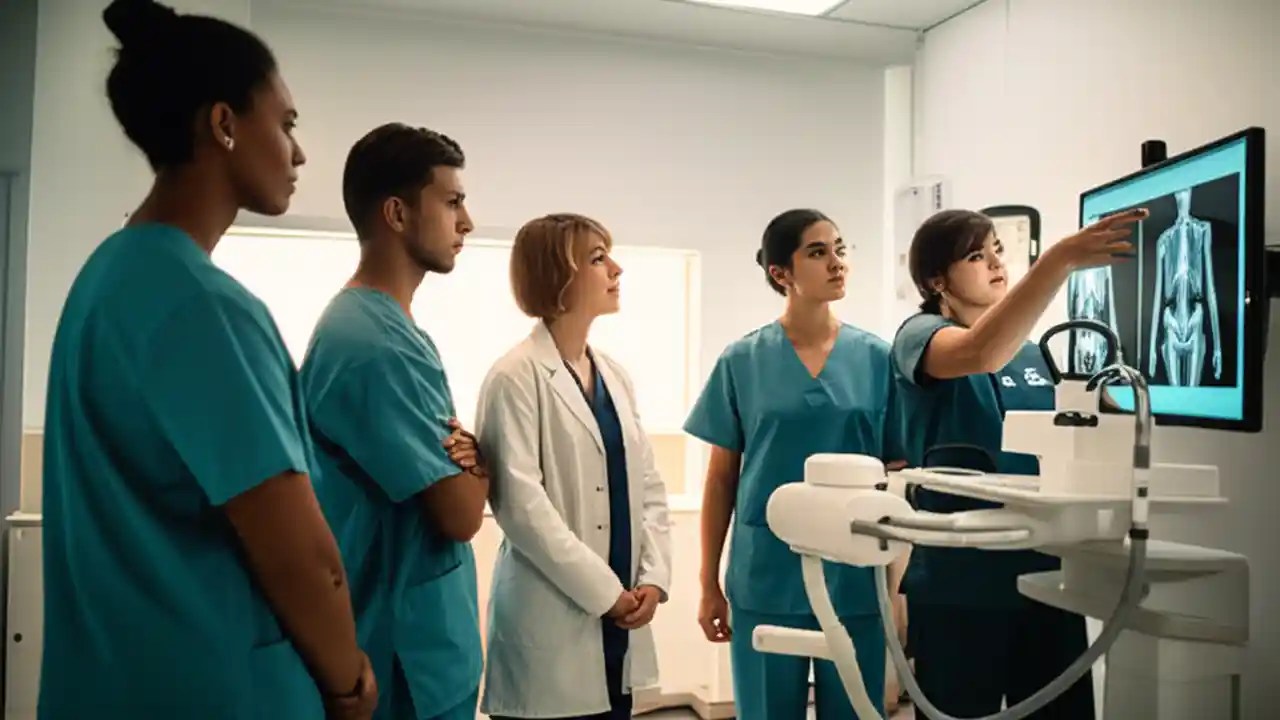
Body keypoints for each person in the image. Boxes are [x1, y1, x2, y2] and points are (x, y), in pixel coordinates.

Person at [39, 1, 377, 718]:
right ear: (223, 124)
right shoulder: (203, 305)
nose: (299, 152)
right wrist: (349, 684)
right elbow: (300, 556)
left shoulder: (109, 274)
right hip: (214, 686)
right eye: (285, 124)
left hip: (109, 681)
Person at [891, 206, 1146, 718]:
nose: (994, 263)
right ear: (937, 279)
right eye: (974, 255)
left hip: (1046, 574)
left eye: (997, 251)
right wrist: (1059, 260)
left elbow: (1090, 426)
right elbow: (980, 352)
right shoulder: (919, 336)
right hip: (960, 585)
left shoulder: (1034, 354)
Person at [685, 209, 905, 720]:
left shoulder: (877, 358)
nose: (837, 262)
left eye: (840, 249)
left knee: (856, 711)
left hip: (857, 574)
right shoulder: (743, 360)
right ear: (780, 274)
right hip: (766, 573)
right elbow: (721, 480)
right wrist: (707, 584)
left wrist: (896, 585)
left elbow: (897, 476)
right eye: (817, 251)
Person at [299, 123, 487, 720]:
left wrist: (471, 465)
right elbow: (460, 514)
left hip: (422, 648)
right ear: (397, 214)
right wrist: (480, 465)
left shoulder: (388, 328)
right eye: (453, 201)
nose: (467, 222)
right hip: (404, 658)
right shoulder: (375, 345)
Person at [475, 213, 673, 720]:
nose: (617, 269)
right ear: (556, 276)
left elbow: (648, 486)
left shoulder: (615, 375)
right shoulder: (514, 376)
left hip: (621, 617)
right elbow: (521, 508)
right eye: (598, 258)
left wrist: (653, 577)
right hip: (554, 620)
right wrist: (606, 593)